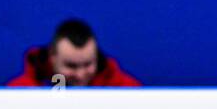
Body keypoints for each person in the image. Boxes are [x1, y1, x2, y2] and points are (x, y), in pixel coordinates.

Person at [8, 18, 140, 87]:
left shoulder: (126, 90)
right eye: (71, 66)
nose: (80, 74)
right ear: (52, 58)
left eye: (87, 64)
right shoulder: (19, 93)